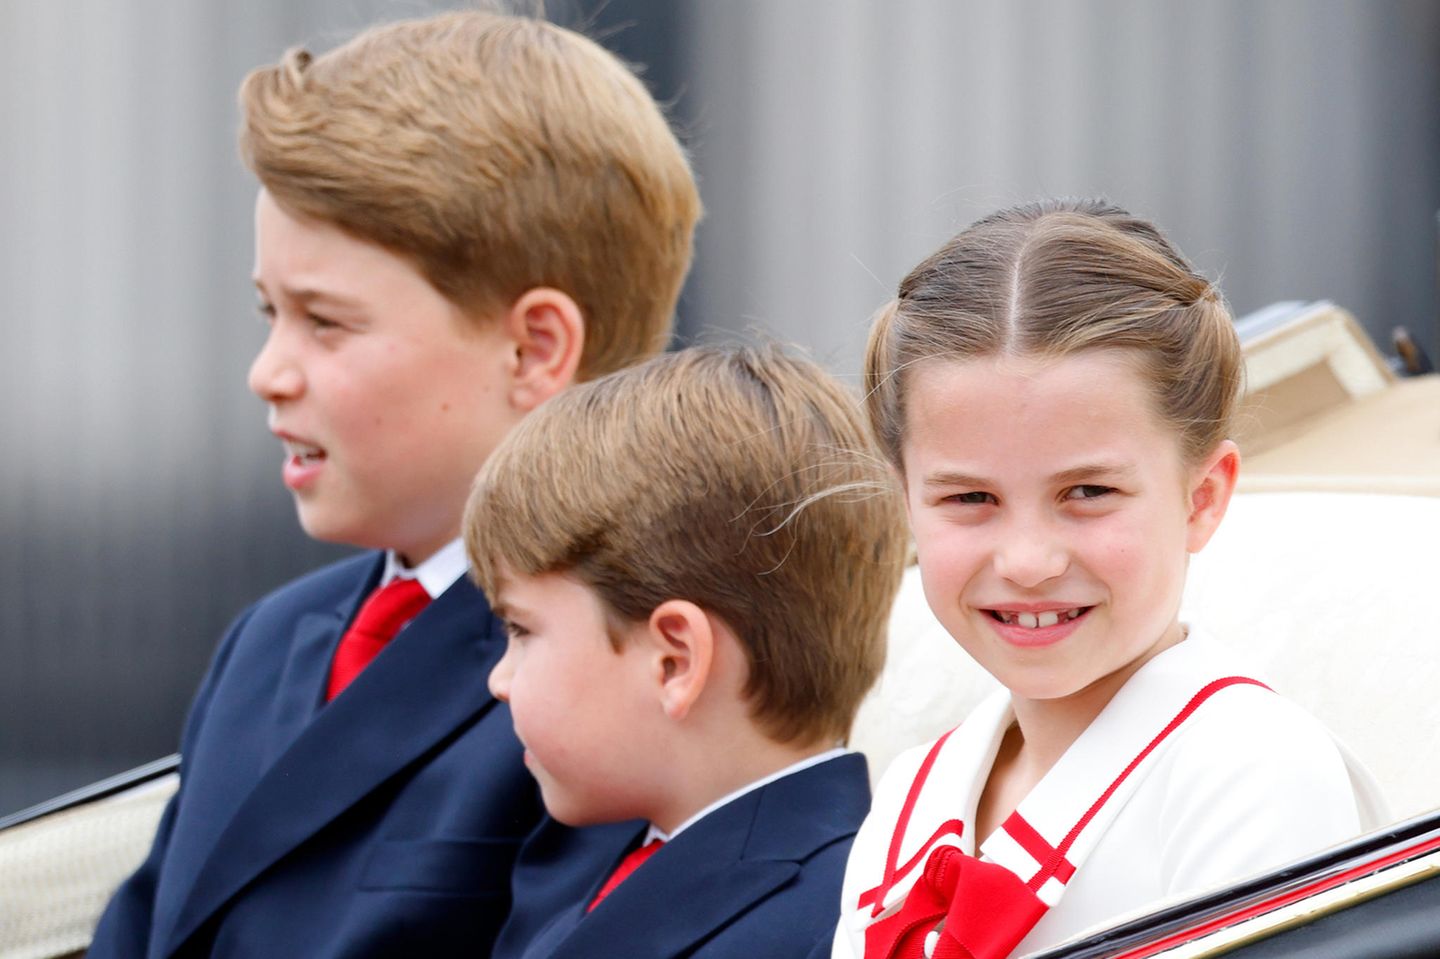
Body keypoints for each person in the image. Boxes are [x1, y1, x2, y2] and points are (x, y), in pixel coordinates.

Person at [89, 10, 700, 958]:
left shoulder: (633, 674)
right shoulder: (270, 642)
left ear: (534, 346)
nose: (269, 371)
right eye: (271, 312)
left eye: (326, 323)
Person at [833, 199, 1387, 959]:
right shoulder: (907, 799)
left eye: (1087, 492)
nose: (1028, 561)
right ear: (905, 501)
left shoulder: (1251, 773)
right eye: (970, 498)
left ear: (1203, 495)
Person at [463, 345, 909, 959]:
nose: (500, 680)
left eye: (521, 631)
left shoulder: (838, 929)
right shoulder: (587, 865)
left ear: (675, 661)